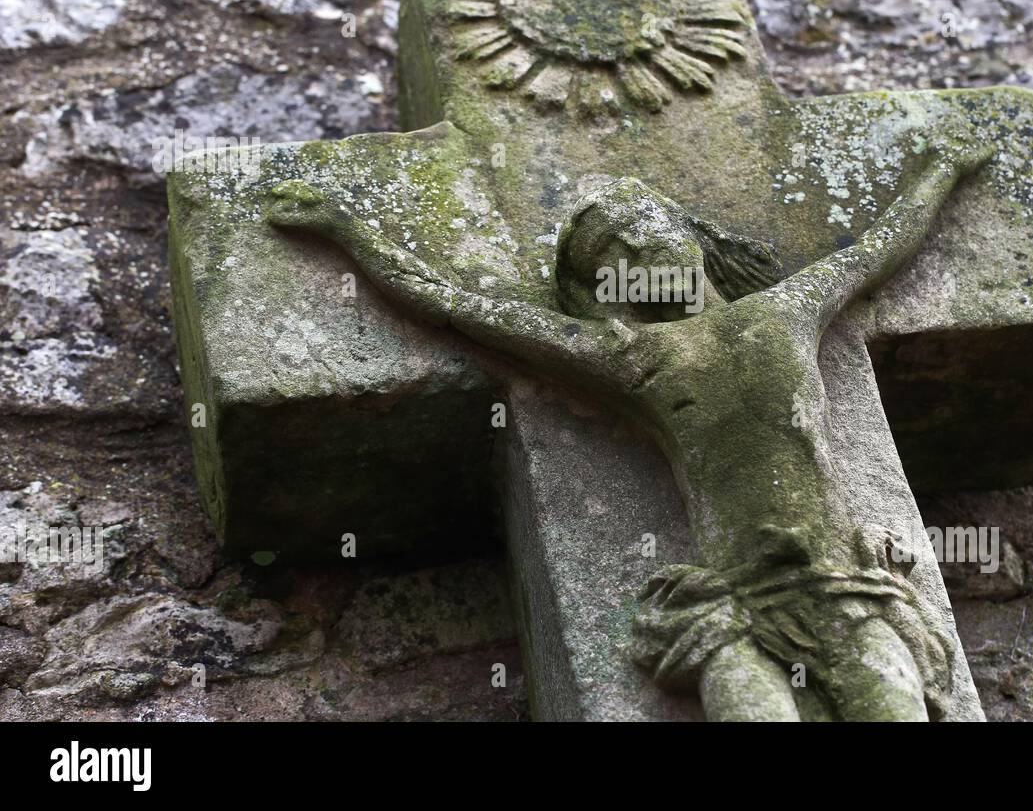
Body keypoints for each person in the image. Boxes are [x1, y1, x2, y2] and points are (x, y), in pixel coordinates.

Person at [268, 139, 992, 720]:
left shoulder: (783, 311)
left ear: (692, 234)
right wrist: (350, 233)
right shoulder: (633, 359)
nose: (638, 246)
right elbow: (459, 309)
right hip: (729, 609)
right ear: (602, 288)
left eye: (645, 222)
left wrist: (942, 169)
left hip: (846, 589)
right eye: (610, 248)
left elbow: (878, 249)